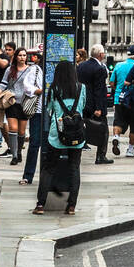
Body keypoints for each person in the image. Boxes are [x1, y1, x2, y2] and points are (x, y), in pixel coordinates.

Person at [33, 59, 86, 216]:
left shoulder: (54, 88)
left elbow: (49, 109)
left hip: (57, 134)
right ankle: (71, 206)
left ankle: (41, 204)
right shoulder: (81, 88)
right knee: (74, 167)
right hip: (77, 132)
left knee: (49, 168)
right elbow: (82, 106)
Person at [0, 47, 39, 165]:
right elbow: (3, 84)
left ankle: (19, 151)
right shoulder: (10, 69)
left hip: (25, 103)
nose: (22, 58)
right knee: (13, 129)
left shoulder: (30, 70)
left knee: (21, 132)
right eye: (20, 55)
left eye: (24, 55)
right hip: (12, 102)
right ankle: (14, 155)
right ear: (16, 57)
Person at [77, 43, 112, 165]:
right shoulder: (100, 69)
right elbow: (99, 89)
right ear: (101, 55)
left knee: (82, 127)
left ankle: (78, 153)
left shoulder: (81, 66)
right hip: (95, 105)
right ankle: (101, 156)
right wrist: (99, 107)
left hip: (83, 103)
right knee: (103, 130)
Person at [109, 46, 134, 157]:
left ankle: (116, 137)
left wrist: (118, 90)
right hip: (133, 100)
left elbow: (111, 83)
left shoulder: (118, 65)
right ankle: (130, 150)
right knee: (133, 126)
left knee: (118, 122)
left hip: (119, 99)